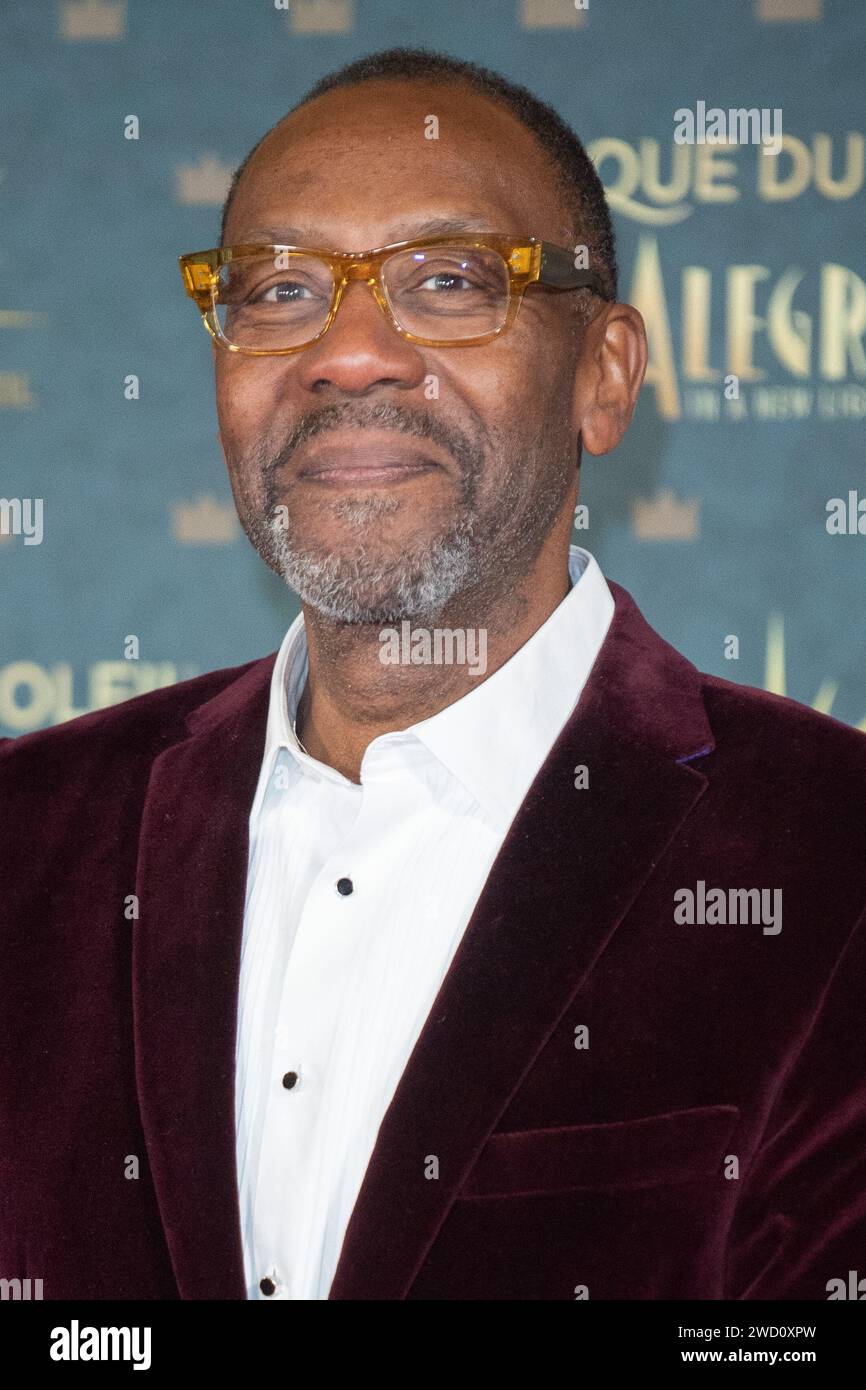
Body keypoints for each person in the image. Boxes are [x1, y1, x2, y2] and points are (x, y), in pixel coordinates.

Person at [2, 47, 865, 1303]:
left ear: (604, 374)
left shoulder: (831, 853)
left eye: (448, 281)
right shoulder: (30, 839)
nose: (349, 355)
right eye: (278, 288)